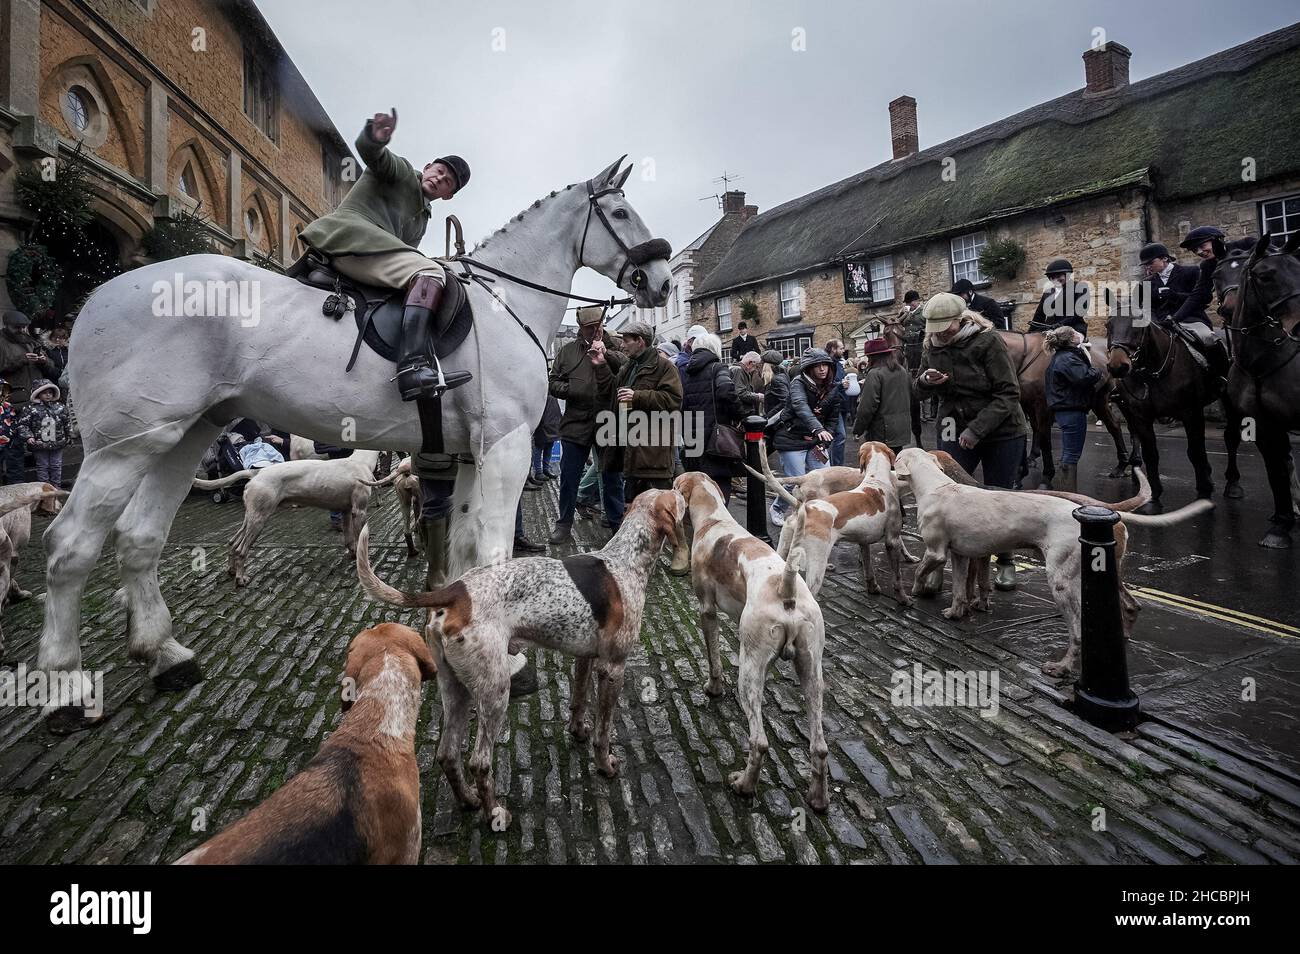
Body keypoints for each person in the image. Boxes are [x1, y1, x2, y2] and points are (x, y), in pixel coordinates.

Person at [299, 108, 471, 401]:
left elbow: (405, 257)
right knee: (430, 274)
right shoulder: (401, 173)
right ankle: (411, 365)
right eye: (439, 171)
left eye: (447, 182)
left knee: (430, 272)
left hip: (371, 255)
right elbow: (374, 154)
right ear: (428, 166)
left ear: (448, 196)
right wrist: (374, 136)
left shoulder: (422, 219)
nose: (440, 179)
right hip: (351, 239)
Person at [917, 292, 1029, 590]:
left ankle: (1005, 561)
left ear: (961, 319)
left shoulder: (988, 342)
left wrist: (976, 430)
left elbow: (1009, 393)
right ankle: (938, 561)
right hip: (954, 423)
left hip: (1002, 429)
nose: (940, 333)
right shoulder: (931, 344)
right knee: (948, 495)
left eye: (946, 326)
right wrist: (926, 381)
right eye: (935, 327)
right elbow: (918, 389)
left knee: (999, 497)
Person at [547, 305, 627, 544]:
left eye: (598, 326)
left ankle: (615, 524)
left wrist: (606, 353)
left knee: (612, 477)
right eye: (590, 328)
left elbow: (625, 368)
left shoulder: (614, 348)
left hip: (608, 421)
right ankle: (564, 524)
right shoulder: (568, 352)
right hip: (576, 421)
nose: (595, 331)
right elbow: (552, 382)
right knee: (570, 477)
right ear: (581, 329)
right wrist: (571, 390)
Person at [599, 321, 683, 502]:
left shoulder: (665, 367)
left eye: (626, 340)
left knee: (659, 511)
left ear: (640, 341)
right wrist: (599, 366)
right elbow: (612, 393)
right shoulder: (628, 366)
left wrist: (636, 396)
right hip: (631, 450)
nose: (622, 345)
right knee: (634, 507)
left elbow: (673, 400)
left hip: (653, 454)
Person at [770, 348, 842, 527]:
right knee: (796, 480)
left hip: (815, 441)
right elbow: (800, 406)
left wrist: (826, 438)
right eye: (817, 366)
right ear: (809, 368)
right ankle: (778, 508)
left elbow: (833, 417)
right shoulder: (798, 383)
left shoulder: (832, 387)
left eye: (825, 364)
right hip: (792, 438)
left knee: (824, 478)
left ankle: (819, 512)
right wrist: (818, 429)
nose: (822, 369)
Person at [680, 332, 743, 504]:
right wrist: (740, 414)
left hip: (693, 438)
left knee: (699, 488)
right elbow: (726, 391)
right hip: (716, 439)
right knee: (720, 488)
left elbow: (683, 405)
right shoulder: (718, 367)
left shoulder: (688, 371)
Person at [0, 310, 57, 483]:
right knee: (14, 450)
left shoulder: (31, 341)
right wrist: (22, 359)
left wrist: (43, 361)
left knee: (42, 447)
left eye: (24, 327)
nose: (22, 331)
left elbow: (52, 368)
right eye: (18, 327)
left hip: (38, 403)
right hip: (14, 404)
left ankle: (46, 485)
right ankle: (14, 487)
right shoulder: (2, 342)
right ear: (7, 326)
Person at [1043, 326, 1101, 493]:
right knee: (1071, 455)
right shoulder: (1068, 359)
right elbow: (1084, 377)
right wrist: (1097, 370)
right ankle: (1068, 494)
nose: (1079, 334)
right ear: (1071, 339)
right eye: (1075, 333)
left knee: (1069, 453)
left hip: (1065, 410)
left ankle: (1066, 492)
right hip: (1071, 411)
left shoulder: (1062, 356)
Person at [1169, 226, 1231, 378]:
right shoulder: (1207, 265)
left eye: (1202, 246)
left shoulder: (1245, 246)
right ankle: (1225, 377)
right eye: (1195, 250)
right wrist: (1174, 318)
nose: (1199, 252)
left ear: (1217, 241)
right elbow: (1199, 295)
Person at [852, 339, 916, 455]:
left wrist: (858, 429)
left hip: (881, 431)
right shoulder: (902, 371)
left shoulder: (875, 374)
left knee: (880, 467)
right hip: (901, 429)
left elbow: (867, 407)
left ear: (872, 357)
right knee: (895, 464)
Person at [17, 378, 71, 488]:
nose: (48, 395)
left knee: (56, 466)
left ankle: (56, 488)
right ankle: (45, 490)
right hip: (39, 444)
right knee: (43, 467)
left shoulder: (60, 407)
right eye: (44, 393)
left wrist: (69, 436)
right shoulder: (30, 409)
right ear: (37, 393)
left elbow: (67, 422)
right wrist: (28, 436)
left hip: (58, 443)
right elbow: (23, 424)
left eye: (50, 392)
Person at [1027, 259, 1089, 337]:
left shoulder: (1080, 287)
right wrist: (1029, 333)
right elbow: (1039, 315)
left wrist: (1059, 325)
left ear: (1067, 275)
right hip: (1049, 330)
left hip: (1073, 328)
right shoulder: (1048, 293)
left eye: (1059, 276)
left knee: (1068, 344)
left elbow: (1079, 312)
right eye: (1052, 277)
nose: (1055, 280)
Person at [824, 339, 850, 466]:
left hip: (842, 404)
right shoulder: (827, 365)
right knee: (840, 436)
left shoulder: (839, 364)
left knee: (838, 437)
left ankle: (835, 465)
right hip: (834, 405)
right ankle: (837, 467)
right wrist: (840, 385)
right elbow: (826, 384)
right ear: (833, 349)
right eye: (841, 348)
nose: (843, 350)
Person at [899, 290, 927, 373]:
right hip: (908, 346)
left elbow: (929, 326)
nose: (907, 305)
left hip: (921, 344)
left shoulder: (923, 312)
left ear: (916, 301)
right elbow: (899, 324)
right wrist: (902, 314)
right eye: (906, 303)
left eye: (909, 302)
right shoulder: (905, 314)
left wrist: (921, 332)